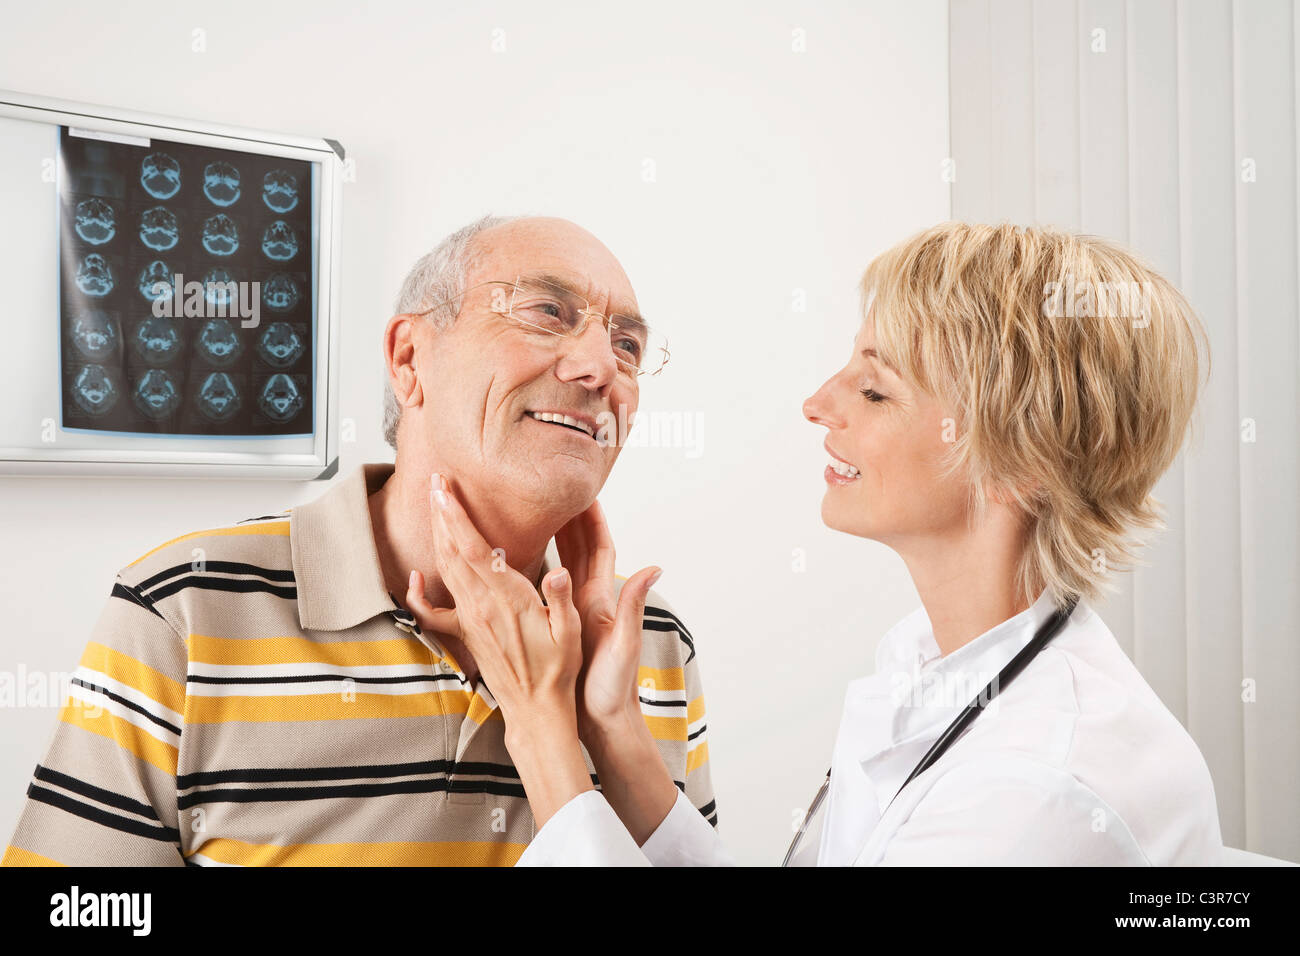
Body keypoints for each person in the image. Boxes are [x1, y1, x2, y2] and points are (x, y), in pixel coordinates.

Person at [405, 221, 1225, 866]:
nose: (817, 404)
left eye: (874, 388)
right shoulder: (934, 663)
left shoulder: (1041, 787)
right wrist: (609, 725)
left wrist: (540, 722)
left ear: (1019, 462)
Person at [1, 215, 717, 867]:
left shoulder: (652, 643)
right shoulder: (185, 607)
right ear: (409, 358)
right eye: (545, 312)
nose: (600, 369)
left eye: (628, 346)